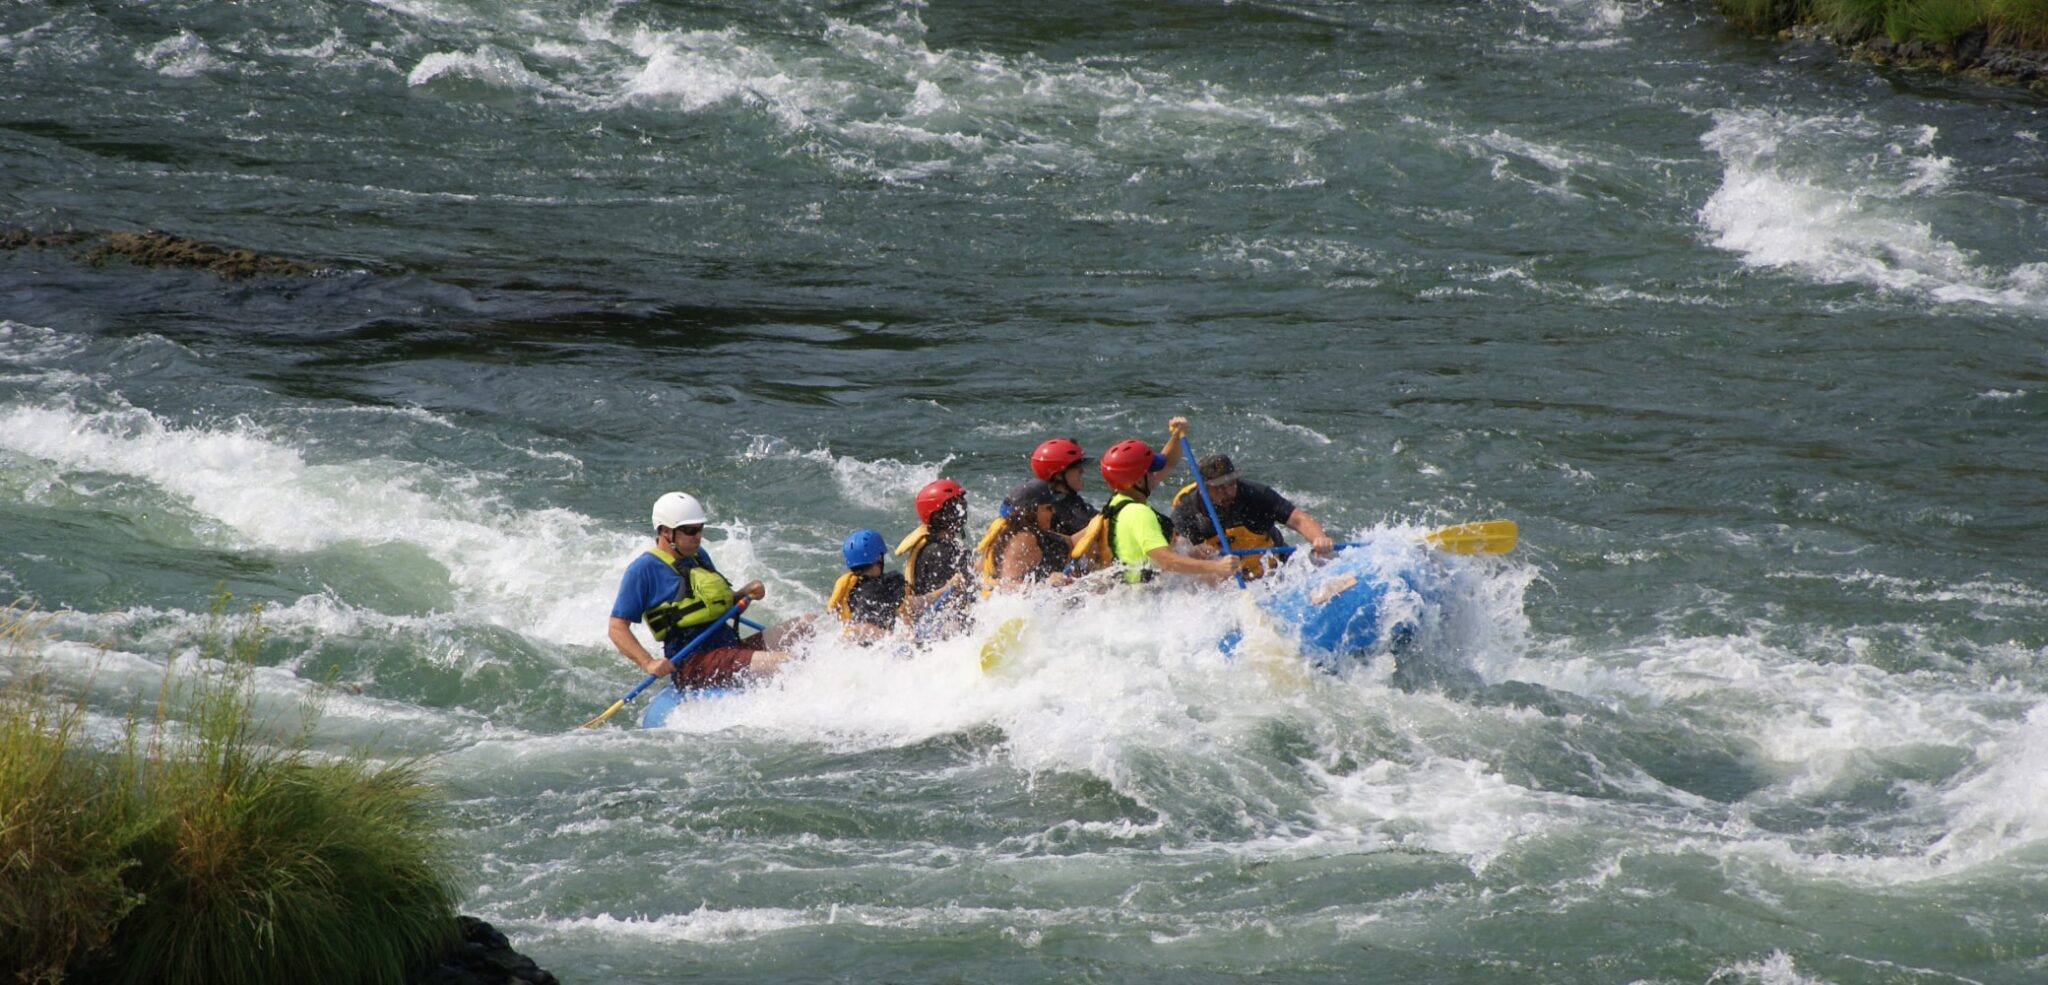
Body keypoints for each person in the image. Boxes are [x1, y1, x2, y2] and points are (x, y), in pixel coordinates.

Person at [607, 492, 803, 691]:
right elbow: (616, 627)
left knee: (808, 624)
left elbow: (719, 608)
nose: (698, 537)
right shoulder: (643, 569)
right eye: (690, 531)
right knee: (788, 662)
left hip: (729, 647)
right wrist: (648, 663)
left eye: (700, 529)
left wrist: (745, 593)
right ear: (666, 531)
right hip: (694, 664)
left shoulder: (698, 556)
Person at [1097, 432, 1238, 586]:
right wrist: (1217, 566)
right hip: (1147, 596)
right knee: (1215, 580)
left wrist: (1177, 434)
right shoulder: (1139, 514)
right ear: (1139, 482)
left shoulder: (1117, 503)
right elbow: (1166, 562)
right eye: (1151, 471)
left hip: (1131, 590)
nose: (1155, 475)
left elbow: (1168, 463)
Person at [1171, 454, 1335, 578]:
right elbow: (1174, 556)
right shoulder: (1186, 511)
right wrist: (1192, 553)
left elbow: (1299, 519)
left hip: (1275, 573)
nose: (1227, 492)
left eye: (1231, 483)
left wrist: (1319, 538)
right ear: (1202, 489)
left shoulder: (1256, 494)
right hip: (1225, 584)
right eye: (1218, 487)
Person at [830, 528, 955, 644]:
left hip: (862, 649)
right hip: (885, 648)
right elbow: (913, 605)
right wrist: (948, 587)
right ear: (879, 557)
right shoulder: (881, 588)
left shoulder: (851, 588)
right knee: (952, 627)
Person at [987, 479, 1075, 591]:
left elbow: (1071, 542)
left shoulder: (1036, 533)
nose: (1053, 511)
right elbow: (1007, 584)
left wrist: (1097, 524)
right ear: (1032, 511)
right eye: (1048, 508)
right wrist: (1047, 584)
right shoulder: (1024, 538)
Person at [1029, 438, 1097, 538]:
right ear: (1059, 475)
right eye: (1077, 467)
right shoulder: (1056, 510)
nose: (1082, 471)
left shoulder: (1072, 500)